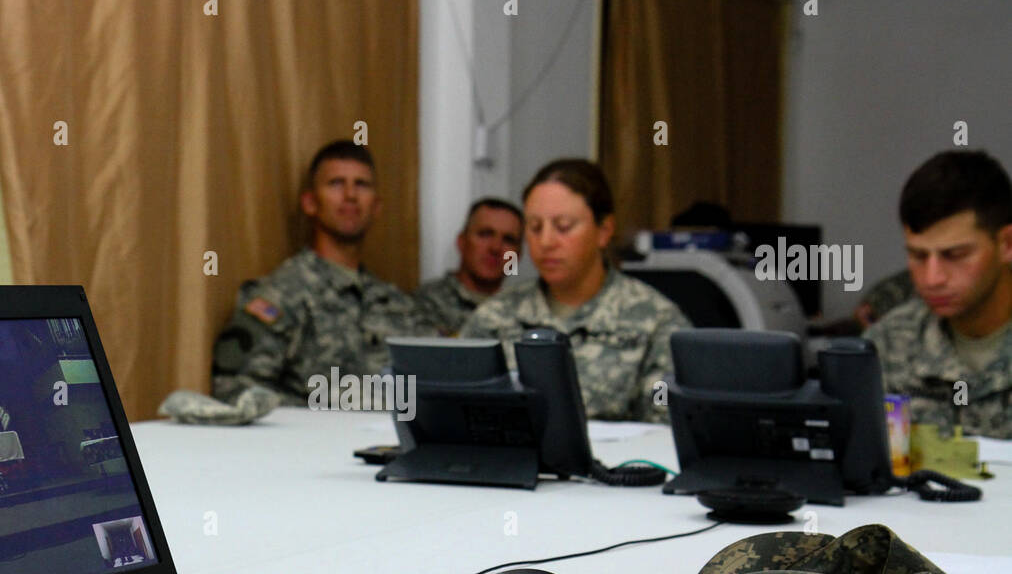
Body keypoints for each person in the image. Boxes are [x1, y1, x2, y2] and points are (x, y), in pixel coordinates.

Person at [461, 158, 690, 423]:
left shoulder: (656, 320)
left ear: (603, 231)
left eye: (563, 226)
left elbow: (669, 428)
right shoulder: (494, 317)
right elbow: (462, 411)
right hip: (514, 462)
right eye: (535, 228)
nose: (546, 242)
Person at [210, 141, 430, 405]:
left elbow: (433, 380)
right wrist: (323, 419)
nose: (350, 195)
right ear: (310, 202)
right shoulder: (281, 295)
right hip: (310, 442)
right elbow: (234, 391)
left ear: (376, 206)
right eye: (336, 184)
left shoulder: (396, 303)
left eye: (362, 185)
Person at [864, 150, 1012, 439]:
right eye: (918, 256)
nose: (933, 279)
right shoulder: (888, 346)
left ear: (1006, 244)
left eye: (955, 255)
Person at [415, 198, 523, 335]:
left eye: (508, 240)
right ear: (462, 242)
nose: (495, 248)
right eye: (485, 234)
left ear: (518, 256)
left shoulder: (528, 311)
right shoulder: (425, 306)